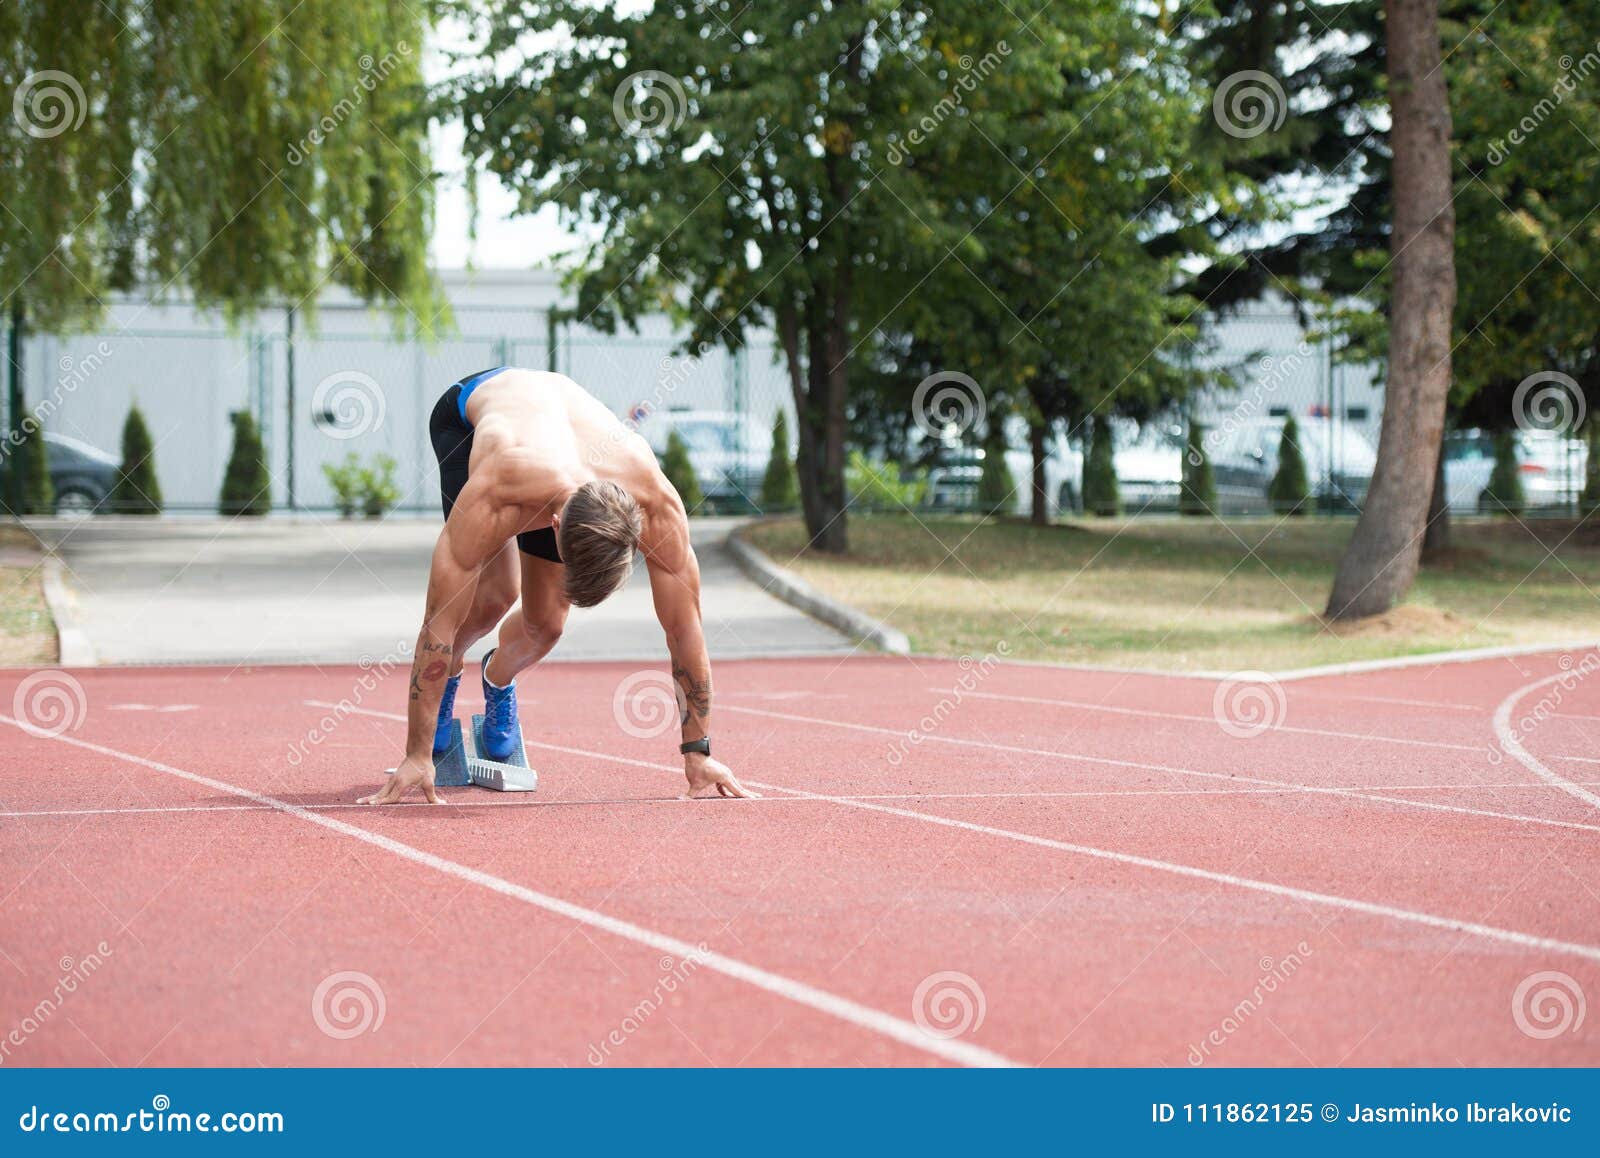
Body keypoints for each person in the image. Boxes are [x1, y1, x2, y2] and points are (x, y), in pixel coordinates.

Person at [359, 366, 755, 805]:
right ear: (552, 525)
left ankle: (498, 679)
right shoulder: (499, 488)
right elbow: (438, 622)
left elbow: (685, 630)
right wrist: (416, 752)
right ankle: (452, 682)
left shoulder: (655, 503)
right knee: (494, 598)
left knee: (546, 626)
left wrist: (698, 753)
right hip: (471, 416)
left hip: (560, 440)